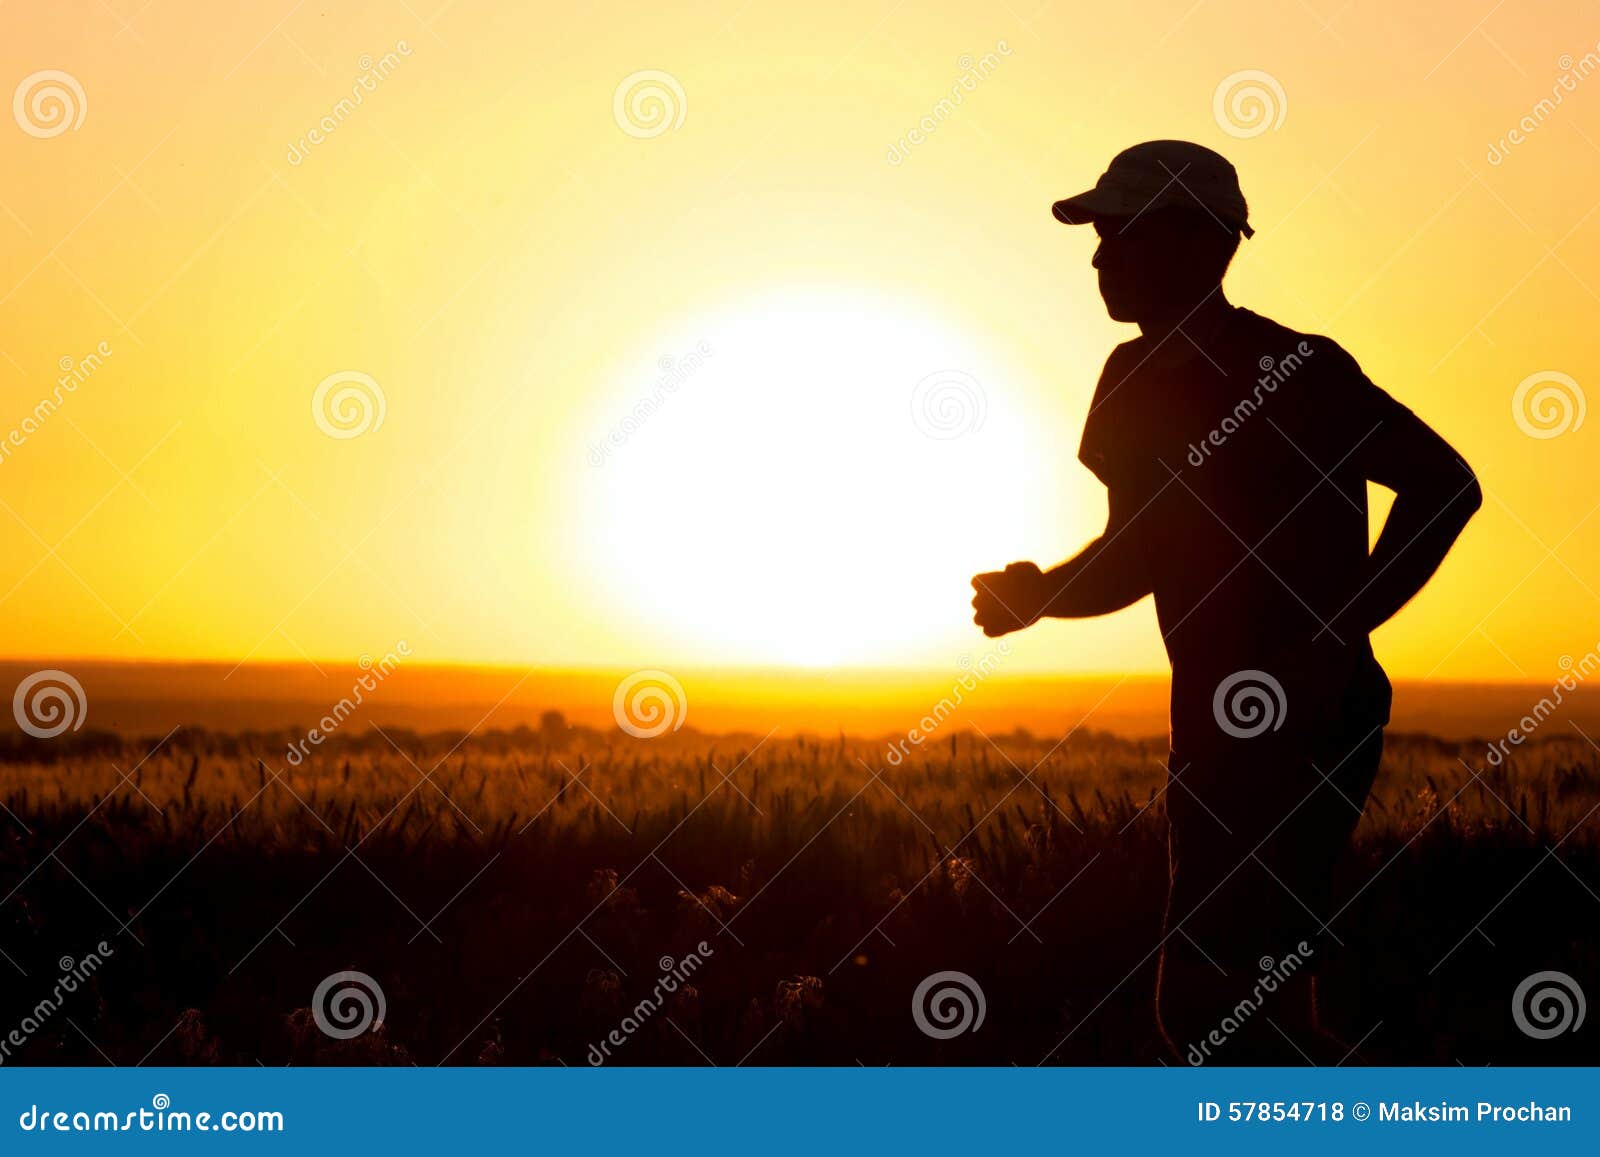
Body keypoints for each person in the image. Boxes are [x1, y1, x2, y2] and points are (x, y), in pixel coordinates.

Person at [969, 140, 1481, 1063]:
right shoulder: (1128, 382)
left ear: (1190, 243)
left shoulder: (1301, 371)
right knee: (1237, 999)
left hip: (1309, 721)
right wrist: (1043, 596)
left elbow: (1446, 484)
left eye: (1117, 235)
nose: (1097, 259)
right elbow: (1139, 550)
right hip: (1210, 723)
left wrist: (1338, 624)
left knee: (1220, 1003)